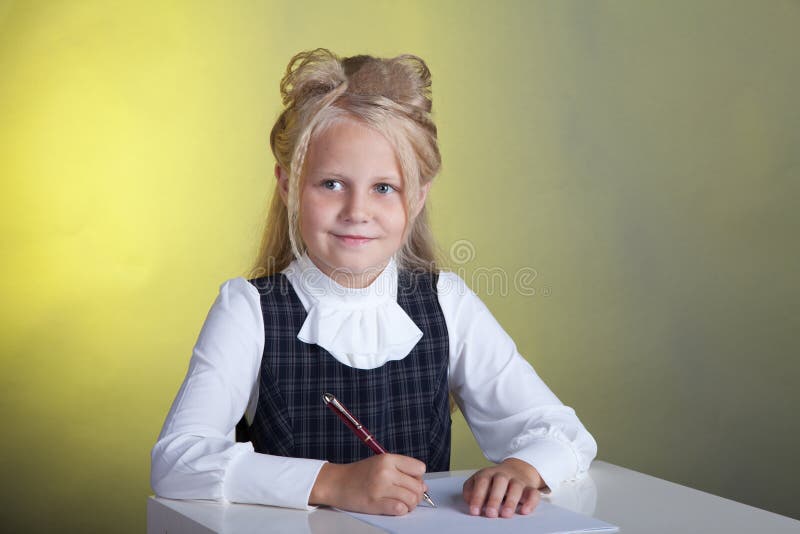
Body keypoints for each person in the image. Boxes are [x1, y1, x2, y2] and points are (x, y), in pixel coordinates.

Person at [150, 48, 597, 519]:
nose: (357, 211)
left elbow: (562, 433)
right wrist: (334, 482)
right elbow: (178, 460)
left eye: (384, 188)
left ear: (418, 197)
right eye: (331, 184)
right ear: (288, 186)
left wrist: (522, 469)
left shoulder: (446, 302)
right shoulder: (248, 309)